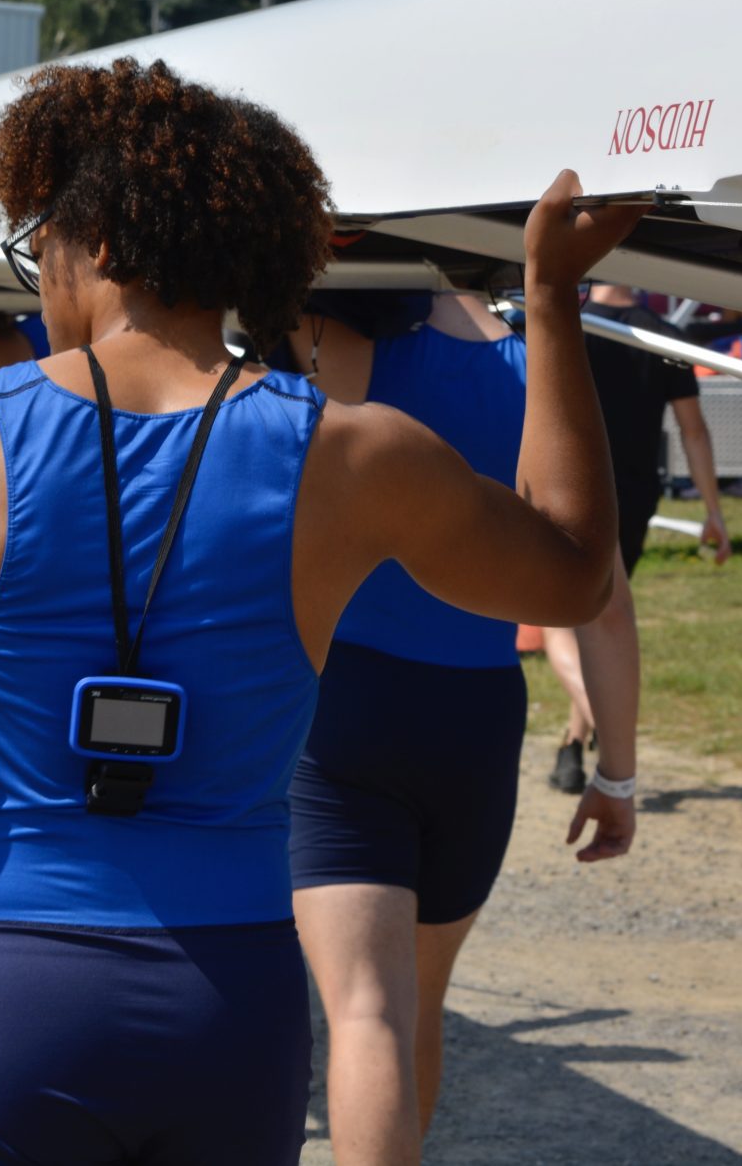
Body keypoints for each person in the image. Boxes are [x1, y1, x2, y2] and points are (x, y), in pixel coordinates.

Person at [0, 58, 631, 1166]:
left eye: (40, 250)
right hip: (231, 994)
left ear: (102, 243)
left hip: (18, 988)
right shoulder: (350, 454)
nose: (38, 286)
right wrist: (546, 302)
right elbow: (572, 572)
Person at [272, 281, 639, 1163]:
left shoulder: (341, 330)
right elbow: (604, 600)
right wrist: (616, 771)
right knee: (414, 1009)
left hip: (345, 707)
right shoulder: (538, 363)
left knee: (364, 1010)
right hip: (475, 715)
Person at [542, 283, 731, 793]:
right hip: (635, 494)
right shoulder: (665, 335)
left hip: (569, 486)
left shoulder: (567, 325)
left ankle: (600, 717)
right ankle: (571, 746)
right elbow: (694, 431)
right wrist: (713, 511)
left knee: (561, 620)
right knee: (598, 611)